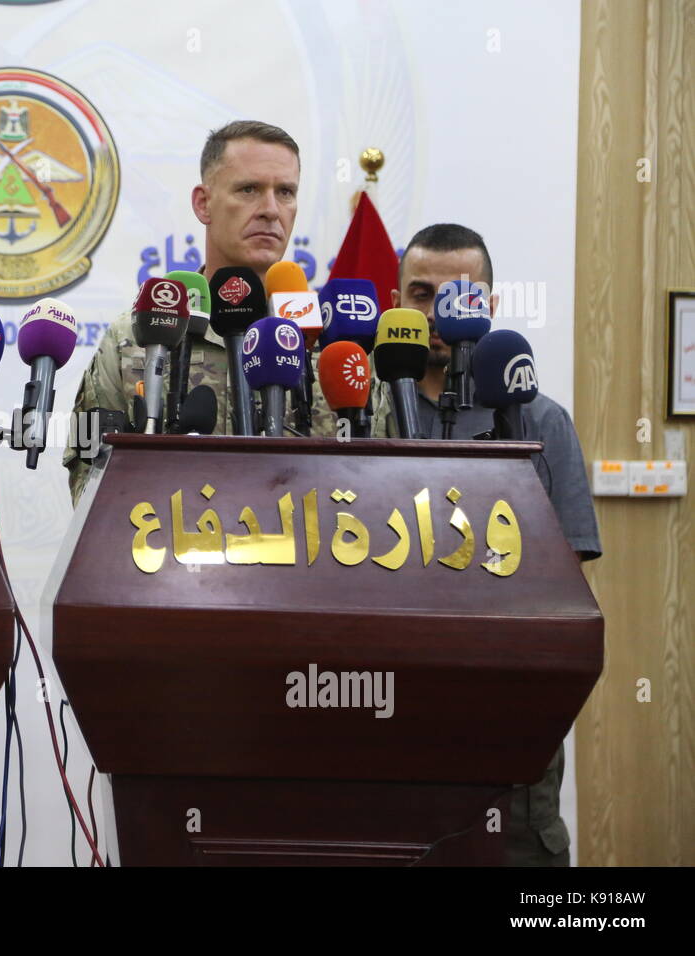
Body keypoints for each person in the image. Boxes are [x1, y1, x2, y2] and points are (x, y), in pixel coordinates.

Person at [389, 222, 602, 865]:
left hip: (505, 719)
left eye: (459, 296)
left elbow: (568, 593)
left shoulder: (538, 419)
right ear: (396, 302)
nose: (436, 312)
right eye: (420, 294)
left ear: (490, 308)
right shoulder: (365, 412)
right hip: (382, 708)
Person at [63, 120, 386, 503]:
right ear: (203, 203)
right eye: (249, 189)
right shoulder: (137, 339)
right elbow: (90, 485)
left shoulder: (336, 344)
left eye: (285, 192)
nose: (270, 210)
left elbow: (379, 481)